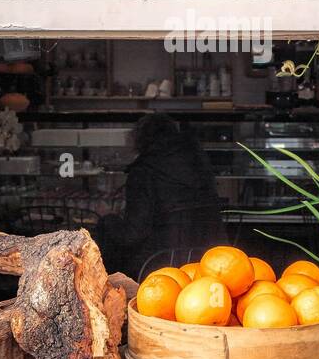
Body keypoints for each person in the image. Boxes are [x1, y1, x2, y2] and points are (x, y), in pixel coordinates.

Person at [97, 113, 226, 279]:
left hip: (160, 266)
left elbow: (132, 235)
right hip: (212, 262)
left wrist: (107, 219)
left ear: (140, 140)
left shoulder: (143, 171)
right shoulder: (199, 163)